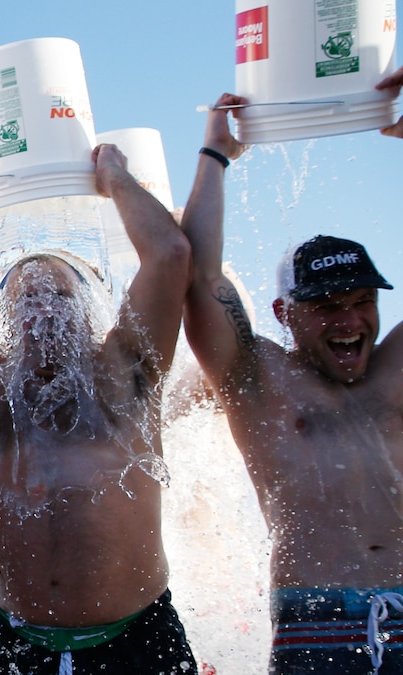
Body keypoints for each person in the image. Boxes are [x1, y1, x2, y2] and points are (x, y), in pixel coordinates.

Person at [0, 145, 196, 673]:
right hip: (14, 643)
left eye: (58, 297)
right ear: (5, 324)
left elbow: (170, 254)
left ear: (89, 311)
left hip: (135, 640)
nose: (43, 313)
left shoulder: (127, 371)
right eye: (24, 302)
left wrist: (114, 179)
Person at [181, 84, 403, 673]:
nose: (351, 321)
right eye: (328, 308)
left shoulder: (397, 367)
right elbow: (199, 279)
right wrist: (215, 155)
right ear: (284, 314)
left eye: (362, 302)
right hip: (315, 623)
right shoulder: (259, 379)